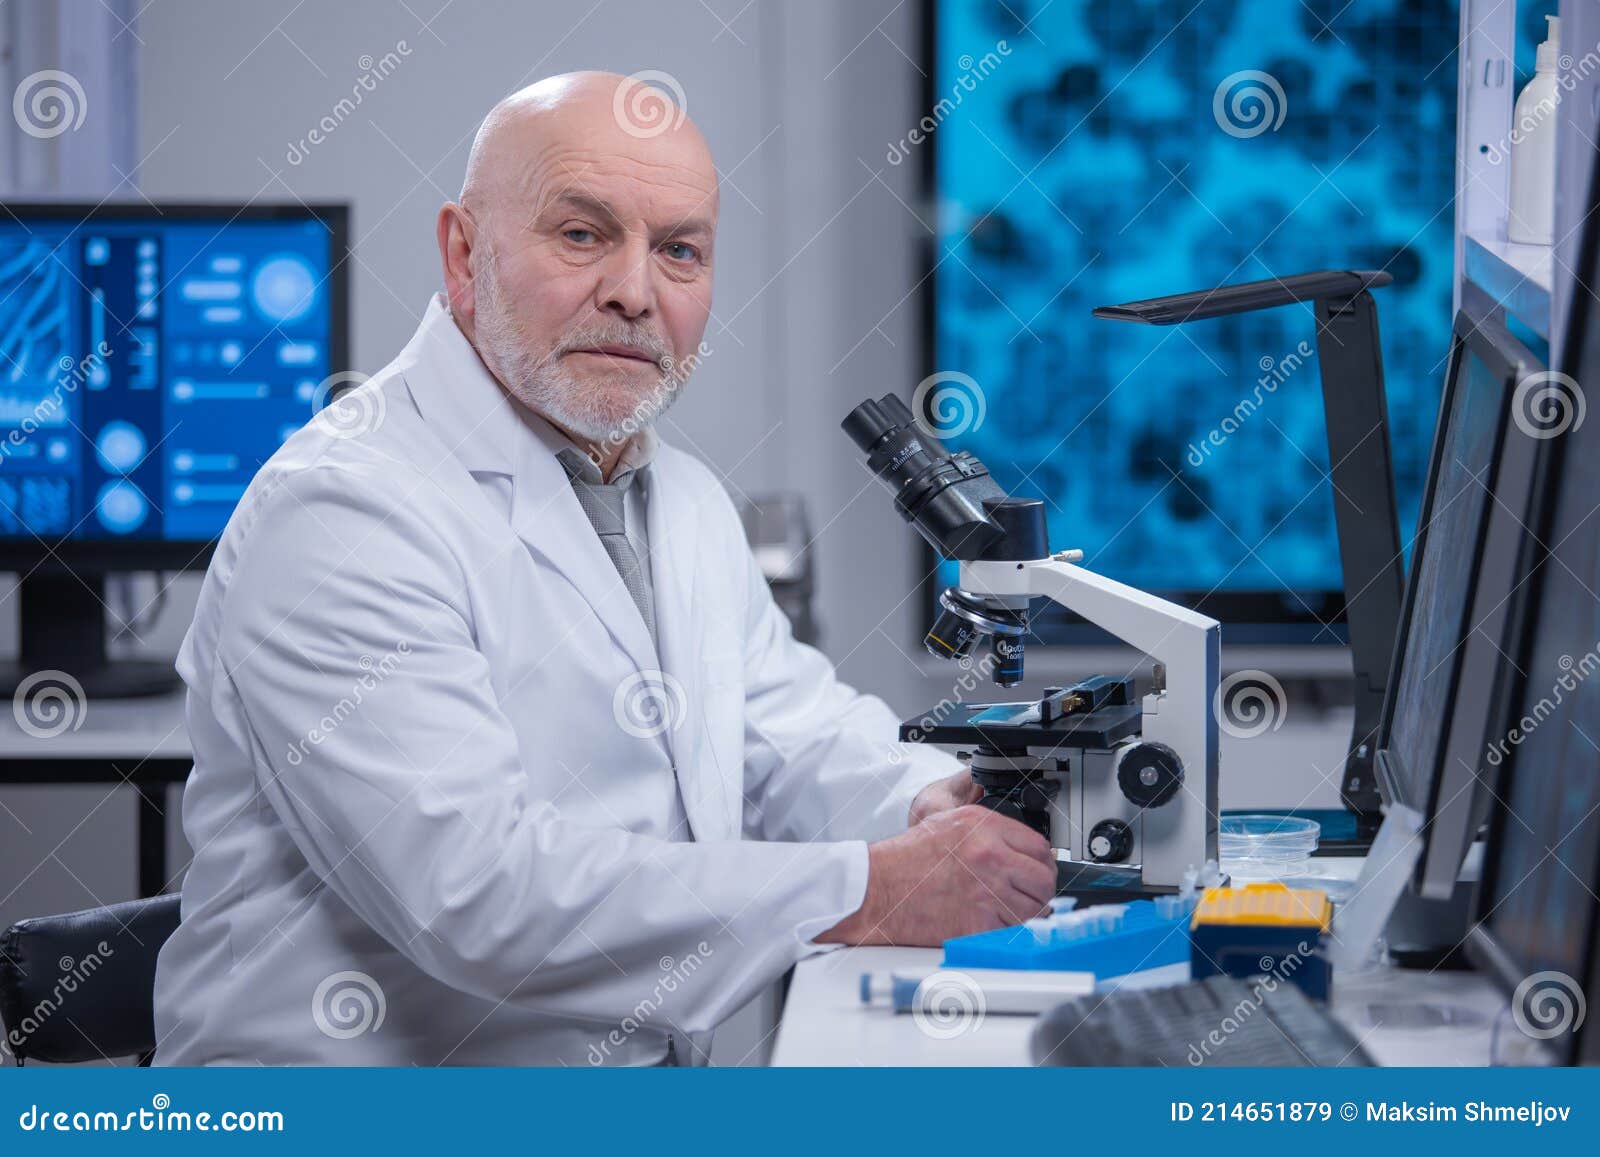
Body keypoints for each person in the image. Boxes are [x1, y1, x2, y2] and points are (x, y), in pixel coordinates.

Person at [152, 72, 1056, 1066]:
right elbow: (477, 893)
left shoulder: (681, 497)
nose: (634, 290)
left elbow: (790, 736)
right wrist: (872, 887)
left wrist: (931, 802)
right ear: (463, 252)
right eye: (581, 234)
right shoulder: (344, 509)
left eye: (679, 250)